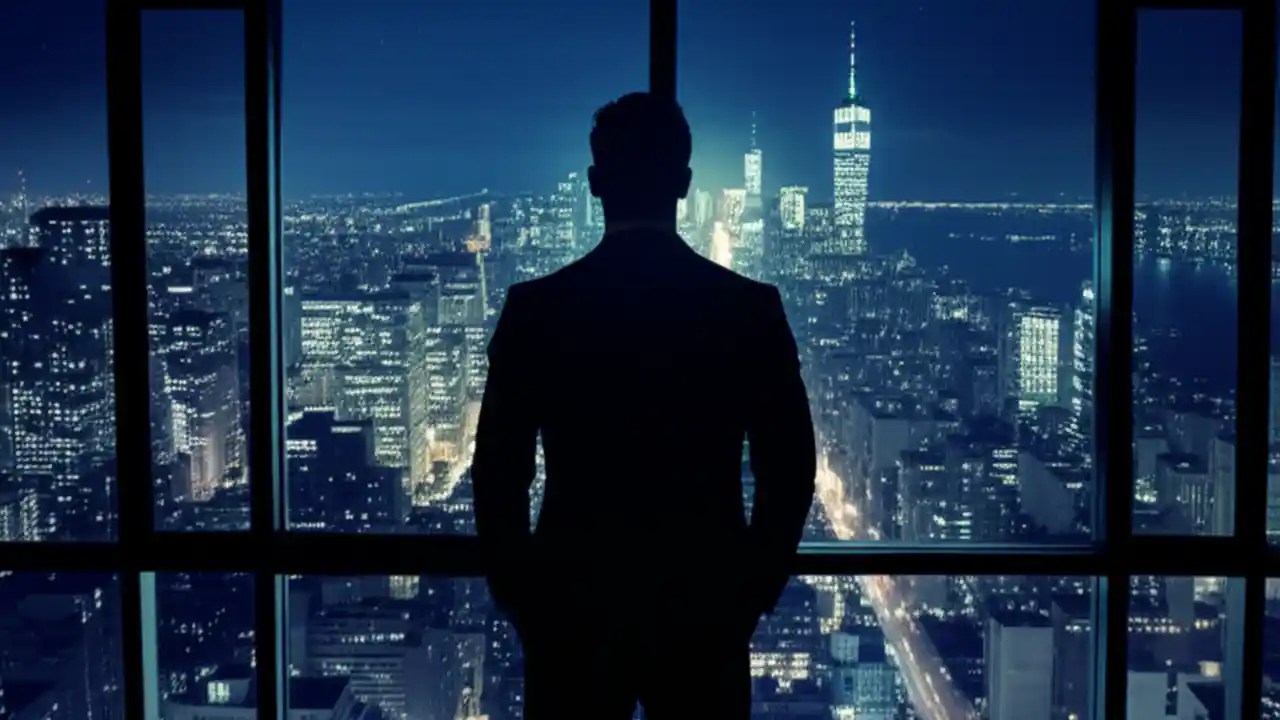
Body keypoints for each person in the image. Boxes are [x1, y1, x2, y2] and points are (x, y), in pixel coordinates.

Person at [471, 91, 816, 719]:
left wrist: (524, 597)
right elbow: (790, 471)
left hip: (572, 609)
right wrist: (749, 594)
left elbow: (499, 473)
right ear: (684, 185)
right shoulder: (749, 311)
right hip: (703, 611)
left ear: (595, 184)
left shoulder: (535, 312)